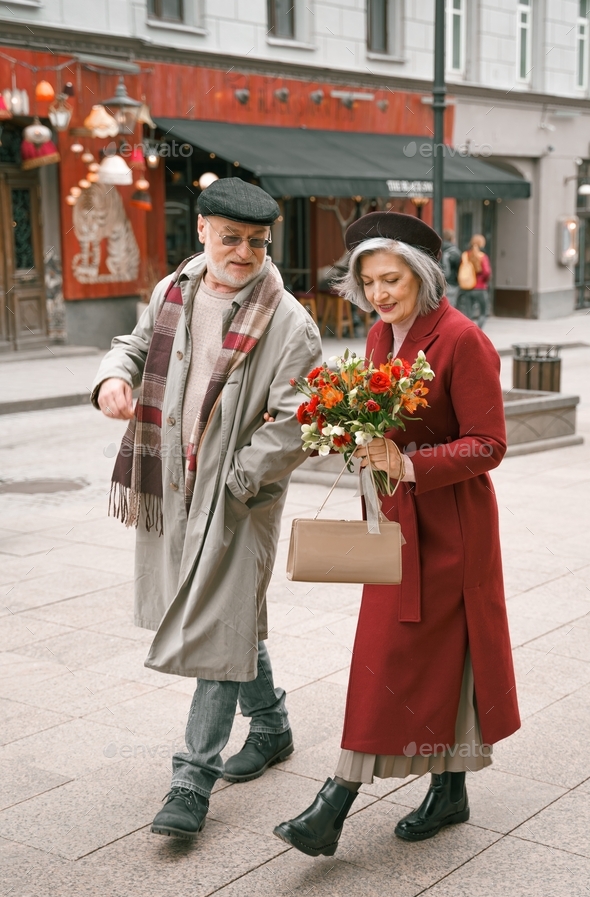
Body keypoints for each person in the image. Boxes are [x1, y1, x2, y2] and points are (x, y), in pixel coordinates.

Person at [273, 212, 520, 857]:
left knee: (421, 652)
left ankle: (335, 802)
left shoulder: (463, 340)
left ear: (423, 276)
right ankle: (451, 791)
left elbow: (490, 444)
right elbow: (383, 420)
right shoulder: (382, 335)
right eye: (368, 282)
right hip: (397, 522)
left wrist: (410, 465)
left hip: (452, 528)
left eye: (392, 279)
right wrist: (352, 436)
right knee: (397, 653)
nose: (378, 294)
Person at [92, 177, 322, 840]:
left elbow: (297, 420)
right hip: (173, 485)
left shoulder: (289, 321)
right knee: (231, 615)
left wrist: (240, 481)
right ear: (202, 230)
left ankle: (192, 778)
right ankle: (271, 725)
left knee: (218, 625)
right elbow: (136, 345)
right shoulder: (175, 289)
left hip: (239, 499)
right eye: (231, 238)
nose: (244, 252)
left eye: (257, 241)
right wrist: (113, 376)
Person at [457, 233, 492, 328]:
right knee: (483, 312)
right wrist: (484, 281)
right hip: (480, 288)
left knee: (468, 314)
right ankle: (479, 330)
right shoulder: (483, 256)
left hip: (467, 288)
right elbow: (486, 272)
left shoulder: (465, 255)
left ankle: (469, 331)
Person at [441, 228, 461, 307]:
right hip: (452, 283)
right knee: (450, 305)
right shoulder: (455, 252)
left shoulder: (438, 249)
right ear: (452, 239)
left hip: (439, 282)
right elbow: (459, 268)